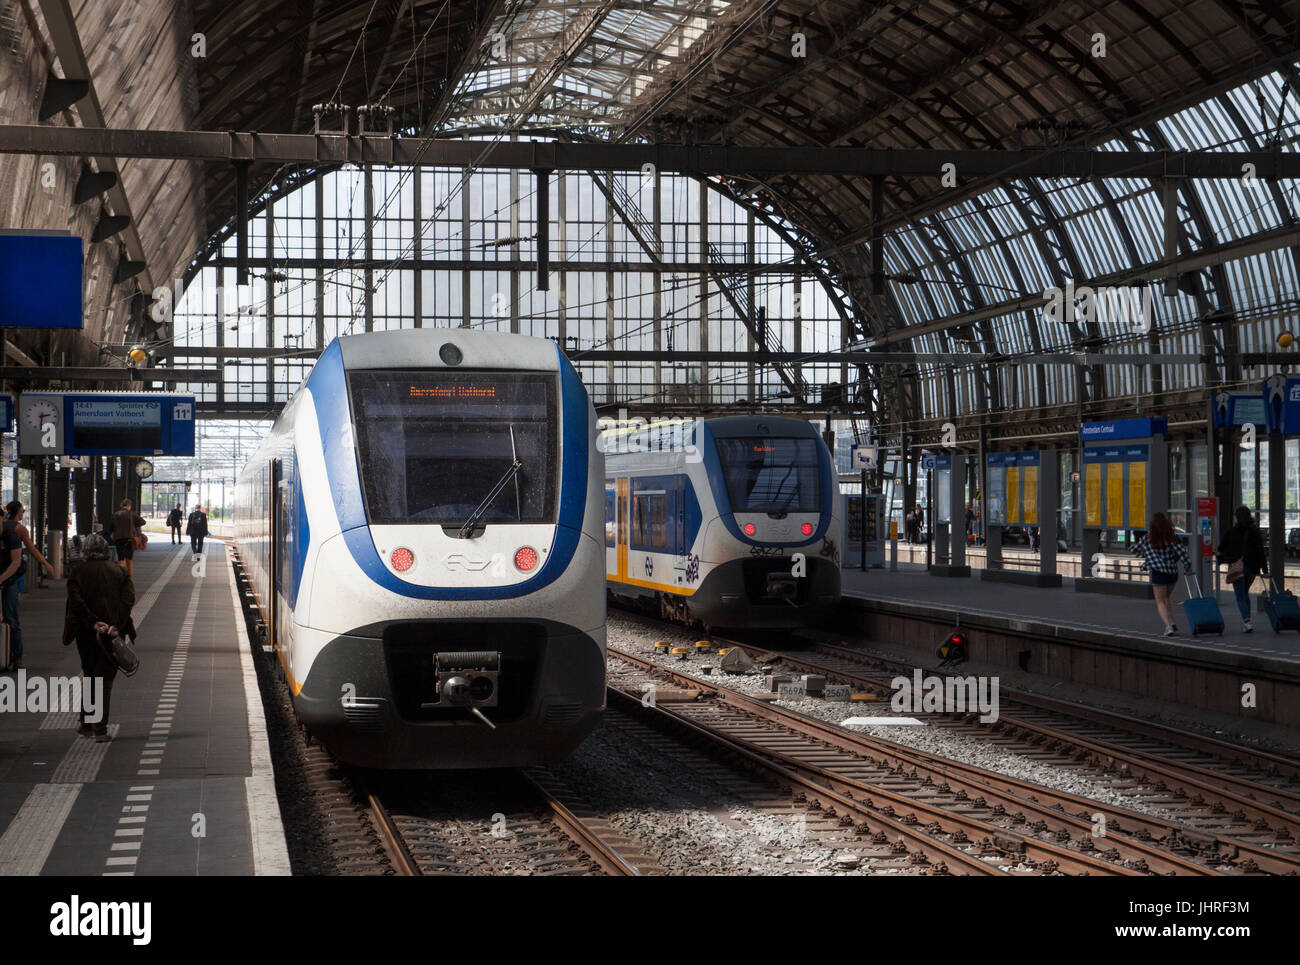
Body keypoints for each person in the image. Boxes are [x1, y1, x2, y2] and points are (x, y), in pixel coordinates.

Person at [65, 534, 134, 741]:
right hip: (112, 634)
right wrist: (115, 625)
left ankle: (86, 724)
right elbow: (128, 600)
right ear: (106, 551)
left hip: (87, 633)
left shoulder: (77, 573)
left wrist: (93, 621)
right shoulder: (120, 572)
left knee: (90, 674)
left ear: (86, 551)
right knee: (104, 679)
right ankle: (100, 729)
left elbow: (76, 602)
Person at [1133, 512, 1194, 636]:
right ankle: (1172, 621)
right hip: (1172, 573)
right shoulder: (1172, 538)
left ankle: (1168, 626)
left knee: (1160, 601)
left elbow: (1134, 549)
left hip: (1158, 573)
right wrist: (1187, 567)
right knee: (1167, 598)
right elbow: (1183, 553)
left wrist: (1146, 552)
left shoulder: (1148, 538)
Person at [1217, 506, 1268, 632]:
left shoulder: (1231, 532)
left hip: (1237, 567)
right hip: (1251, 569)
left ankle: (1247, 621)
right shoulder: (1255, 531)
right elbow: (1261, 552)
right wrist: (1265, 570)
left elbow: (1220, 548)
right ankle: (1248, 619)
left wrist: (1227, 556)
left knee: (1240, 596)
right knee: (1244, 593)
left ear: (1237, 518)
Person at [111, 498, 142, 579]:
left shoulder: (115, 514)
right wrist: (134, 524)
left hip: (119, 539)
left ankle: (121, 578)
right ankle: (129, 580)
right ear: (129, 505)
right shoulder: (132, 514)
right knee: (129, 560)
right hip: (130, 539)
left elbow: (111, 528)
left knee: (121, 560)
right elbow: (142, 522)